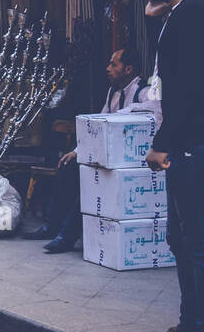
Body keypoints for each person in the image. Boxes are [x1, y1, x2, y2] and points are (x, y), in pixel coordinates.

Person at [140, 0, 204, 332]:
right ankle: (188, 326)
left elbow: (189, 90)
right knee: (181, 242)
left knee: (197, 245)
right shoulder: (181, 14)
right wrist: (155, 16)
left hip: (192, 146)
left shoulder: (195, 15)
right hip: (187, 145)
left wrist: (163, 141)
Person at [24, 49, 155, 253]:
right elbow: (98, 125)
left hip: (132, 162)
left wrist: (122, 114)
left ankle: (67, 236)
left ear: (128, 69)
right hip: (109, 157)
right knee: (68, 167)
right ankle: (52, 225)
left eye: (114, 64)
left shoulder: (144, 91)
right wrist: (79, 150)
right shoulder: (113, 92)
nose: (108, 69)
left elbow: (158, 110)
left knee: (93, 183)